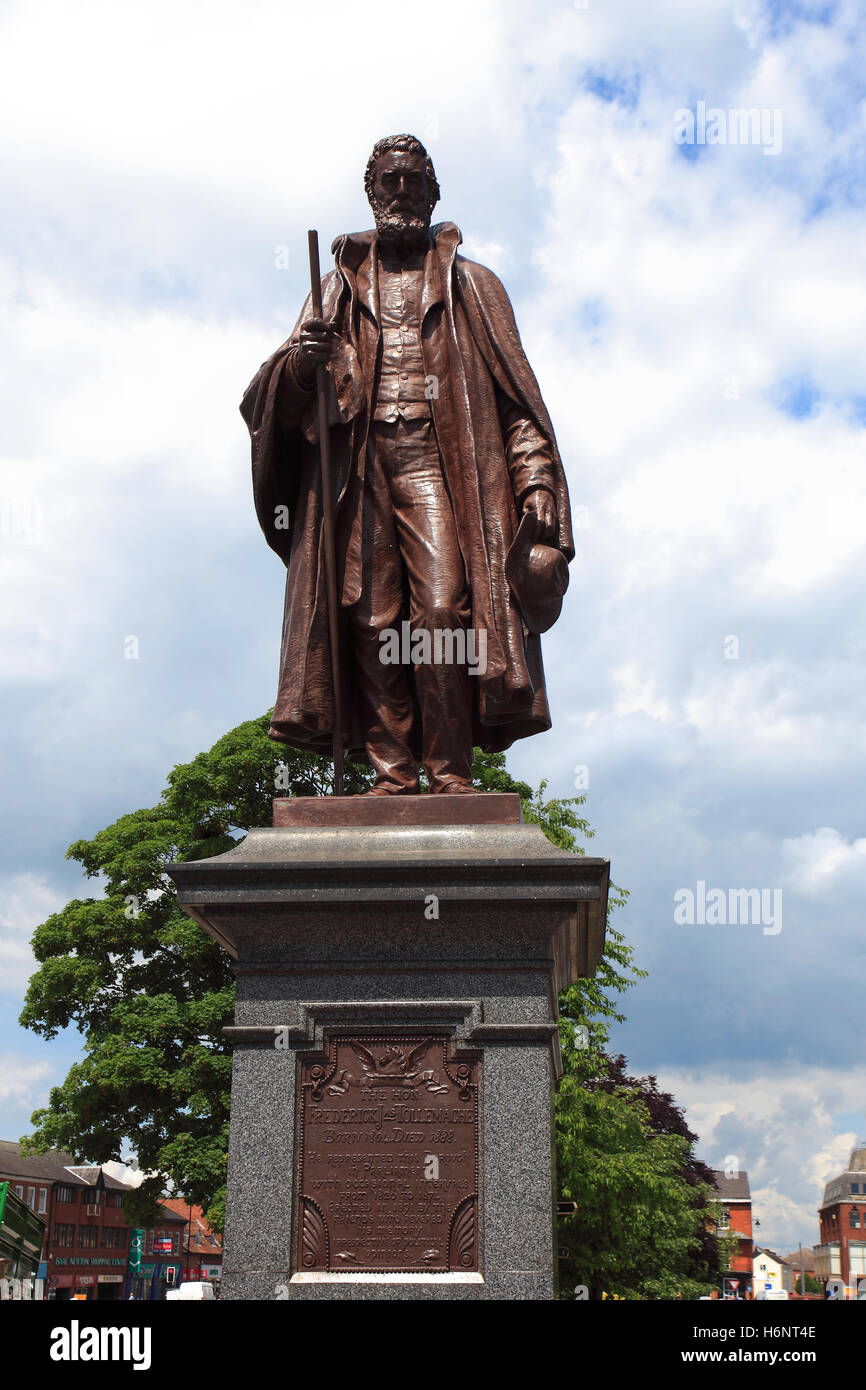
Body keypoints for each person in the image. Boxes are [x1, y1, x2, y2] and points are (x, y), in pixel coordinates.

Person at [242, 134, 573, 794]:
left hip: (437, 467)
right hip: (357, 472)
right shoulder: (334, 289)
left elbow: (517, 402)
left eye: (413, 183)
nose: (400, 193)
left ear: (433, 193)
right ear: (371, 192)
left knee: (445, 609)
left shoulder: (473, 287)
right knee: (367, 615)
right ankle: (392, 775)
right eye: (388, 182)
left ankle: (449, 770)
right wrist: (302, 368)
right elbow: (269, 397)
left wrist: (534, 479)